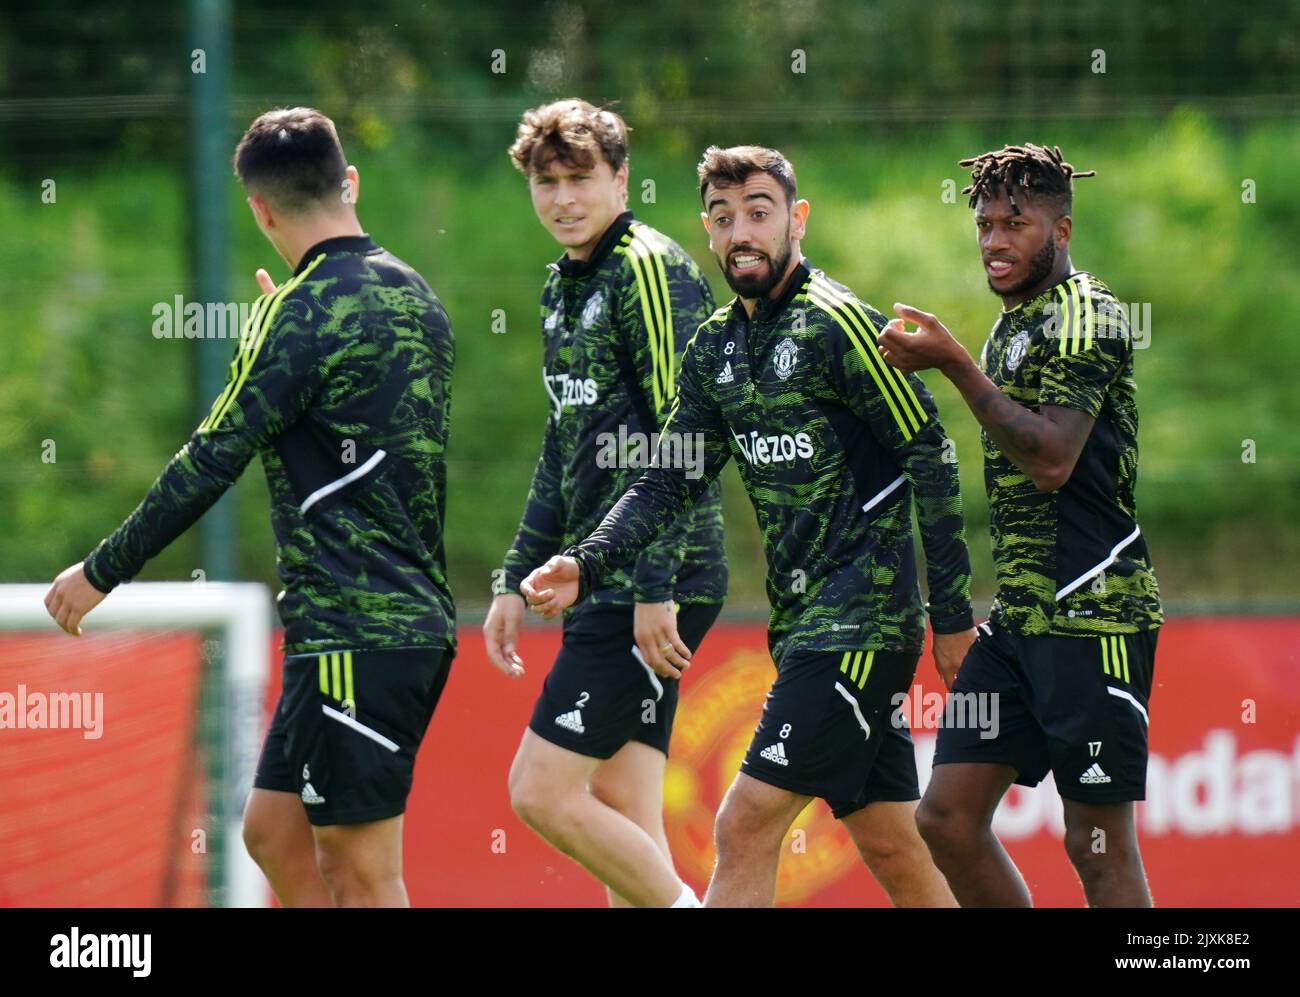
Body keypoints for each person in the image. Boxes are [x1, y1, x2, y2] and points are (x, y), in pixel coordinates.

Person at [521, 145, 973, 908]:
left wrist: (953, 619)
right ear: (707, 230)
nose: (742, 234)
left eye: (760, 214)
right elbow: (669, 476)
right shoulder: (716, 347)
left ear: (796, 218)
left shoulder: (839, 324)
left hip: (863, 621)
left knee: (745, 822)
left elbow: (930, 455)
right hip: (803, 624)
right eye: (725, 218)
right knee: (895, 843)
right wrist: (588, 563)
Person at [44, 107, 457, 908]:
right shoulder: (418, 296)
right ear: (351, 182)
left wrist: (103, 571)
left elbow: (210, 458)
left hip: (357, 626)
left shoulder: (291, 316)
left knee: (366, 872)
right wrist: (283, 325)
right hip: (385, 624)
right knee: (272, 832)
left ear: (260, 210)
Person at [876, 143, 1163, 907]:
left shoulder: (1087, 313)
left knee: (1096, 843)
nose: (995, 240)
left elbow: (1052, 459)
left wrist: (953, 363)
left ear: (1061, 231)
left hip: (1095, 611)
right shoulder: (1014, 323)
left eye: (1016, 223)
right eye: (985, 223)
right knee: (945, 818)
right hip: (1021, 622)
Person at [484, 99, 727, 908]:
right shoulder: (561, 284)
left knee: (540, 790)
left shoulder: (647, 267)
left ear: (621, 178)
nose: (562, 198)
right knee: (627, 816)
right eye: (545, 181)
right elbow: (563, 442)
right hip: (598, 576)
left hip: (649, 580)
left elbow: (683, 435)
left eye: (580, 177)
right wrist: (515, 578)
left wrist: (656, 584)